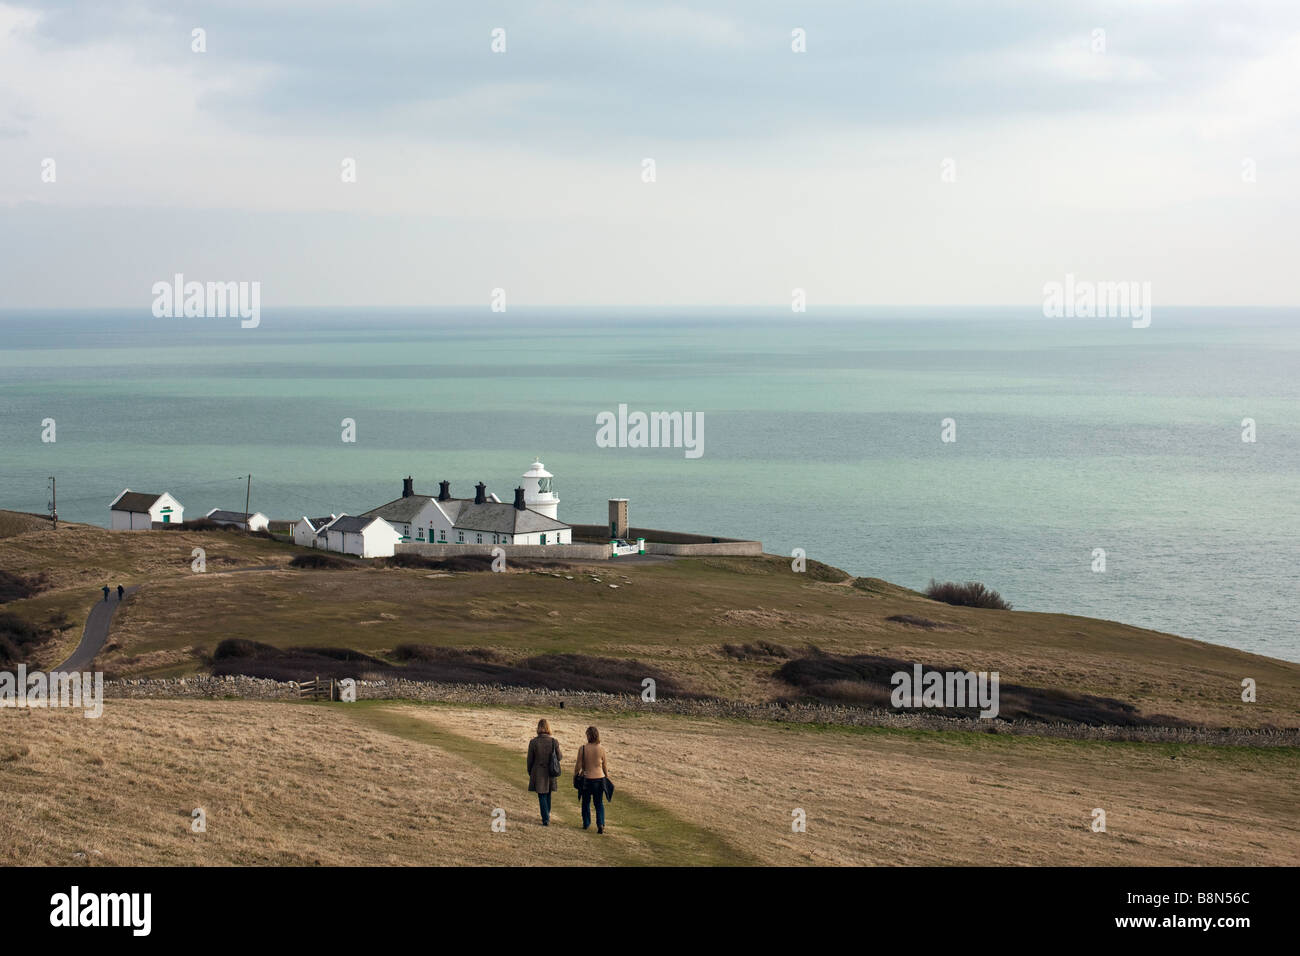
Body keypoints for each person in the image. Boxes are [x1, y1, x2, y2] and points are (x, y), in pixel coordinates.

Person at [526, 719, 562, 826]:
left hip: (538, 772)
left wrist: (530, 771)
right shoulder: (553, 741)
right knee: (548, 794)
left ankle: (545, 818)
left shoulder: (533, 742)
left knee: (542, 795)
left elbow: (530, 759)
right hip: (550, 771)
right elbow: (559, 757)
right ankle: (547, 815)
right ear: (548, 728)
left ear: (538, 728)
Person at [575, 725, 609, 833]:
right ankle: (600, 823)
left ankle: (586, 822)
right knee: (599, 803)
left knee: (586, 802)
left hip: (587, 778)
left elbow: (578, 765)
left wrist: (575, 775)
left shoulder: (583, 748)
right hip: (599, 778)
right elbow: (604, 766)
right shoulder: (601, 749)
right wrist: (607, 778)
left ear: (588, 736)